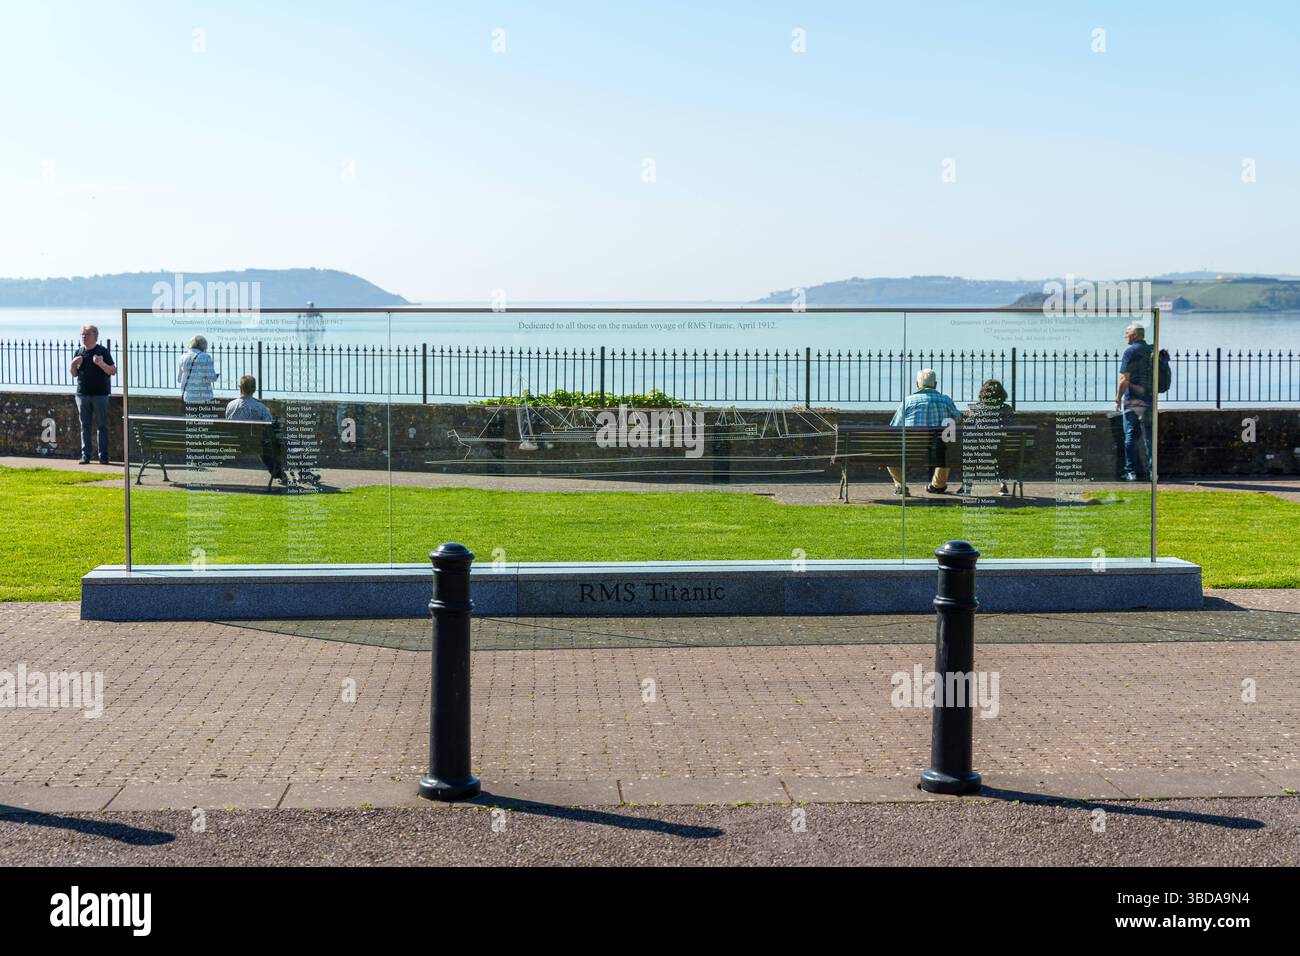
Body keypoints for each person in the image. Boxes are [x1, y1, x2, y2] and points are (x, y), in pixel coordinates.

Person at [887, 368, 961, 495]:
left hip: (911, 451)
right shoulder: (946, 401)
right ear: (935, 385)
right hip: (938, 452)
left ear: (917, 385)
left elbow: (893, 427)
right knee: (947, 448)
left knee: (887, 454)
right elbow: (958, 419)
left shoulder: (908, 402)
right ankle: (938, 485)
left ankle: (902, 487)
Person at [225, 375, 285, 484]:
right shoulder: (261, 408)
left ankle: (280, 474)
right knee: (274, 445)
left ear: (240, 388)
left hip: (234, 444)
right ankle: (286, 473)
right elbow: (270, 427)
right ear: (254, 389)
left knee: (263, 446)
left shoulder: (230, 405)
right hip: (256, 445)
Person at [69, 324, 116, 464]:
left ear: (95, 336)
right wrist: (72, 365)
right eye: (82, 334)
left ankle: (103, 456)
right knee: (85, 425)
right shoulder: (79, 352)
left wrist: (101, 364)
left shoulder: (102, 351)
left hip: (100, 394)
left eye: (87, 334)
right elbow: (74, 374)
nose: (84, 336)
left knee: (101, 426)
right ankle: (86, 455)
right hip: (82, 394)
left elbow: (112, 371)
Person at [957, 378, 1013, 496]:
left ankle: (965, 487)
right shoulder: (1007, 409)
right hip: (999, 449)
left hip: (978, 451)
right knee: (1002, 453)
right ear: (1001, 394)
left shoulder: (975, 409)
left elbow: (968, 429)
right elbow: (1011, 428)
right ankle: (1003, 486)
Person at [1116, 323, 1154, 481]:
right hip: (1149, 398)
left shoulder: (1130, 351)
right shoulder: (1151, 350)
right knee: (1149, 437)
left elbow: (1124, 380)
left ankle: (1130, 471)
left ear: (1135, 335)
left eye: (1128, 332)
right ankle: (1152, 472)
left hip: (1132, 400)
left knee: (1130, 435)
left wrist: (1117, 399)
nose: (1125, 335)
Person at [177, 334, 220, 406]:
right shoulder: (206, 357)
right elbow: (212, 378)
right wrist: (216, 376)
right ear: (203, 345)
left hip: (188, 397)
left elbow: (179, 380)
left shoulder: (182, 357)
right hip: (204, 398)